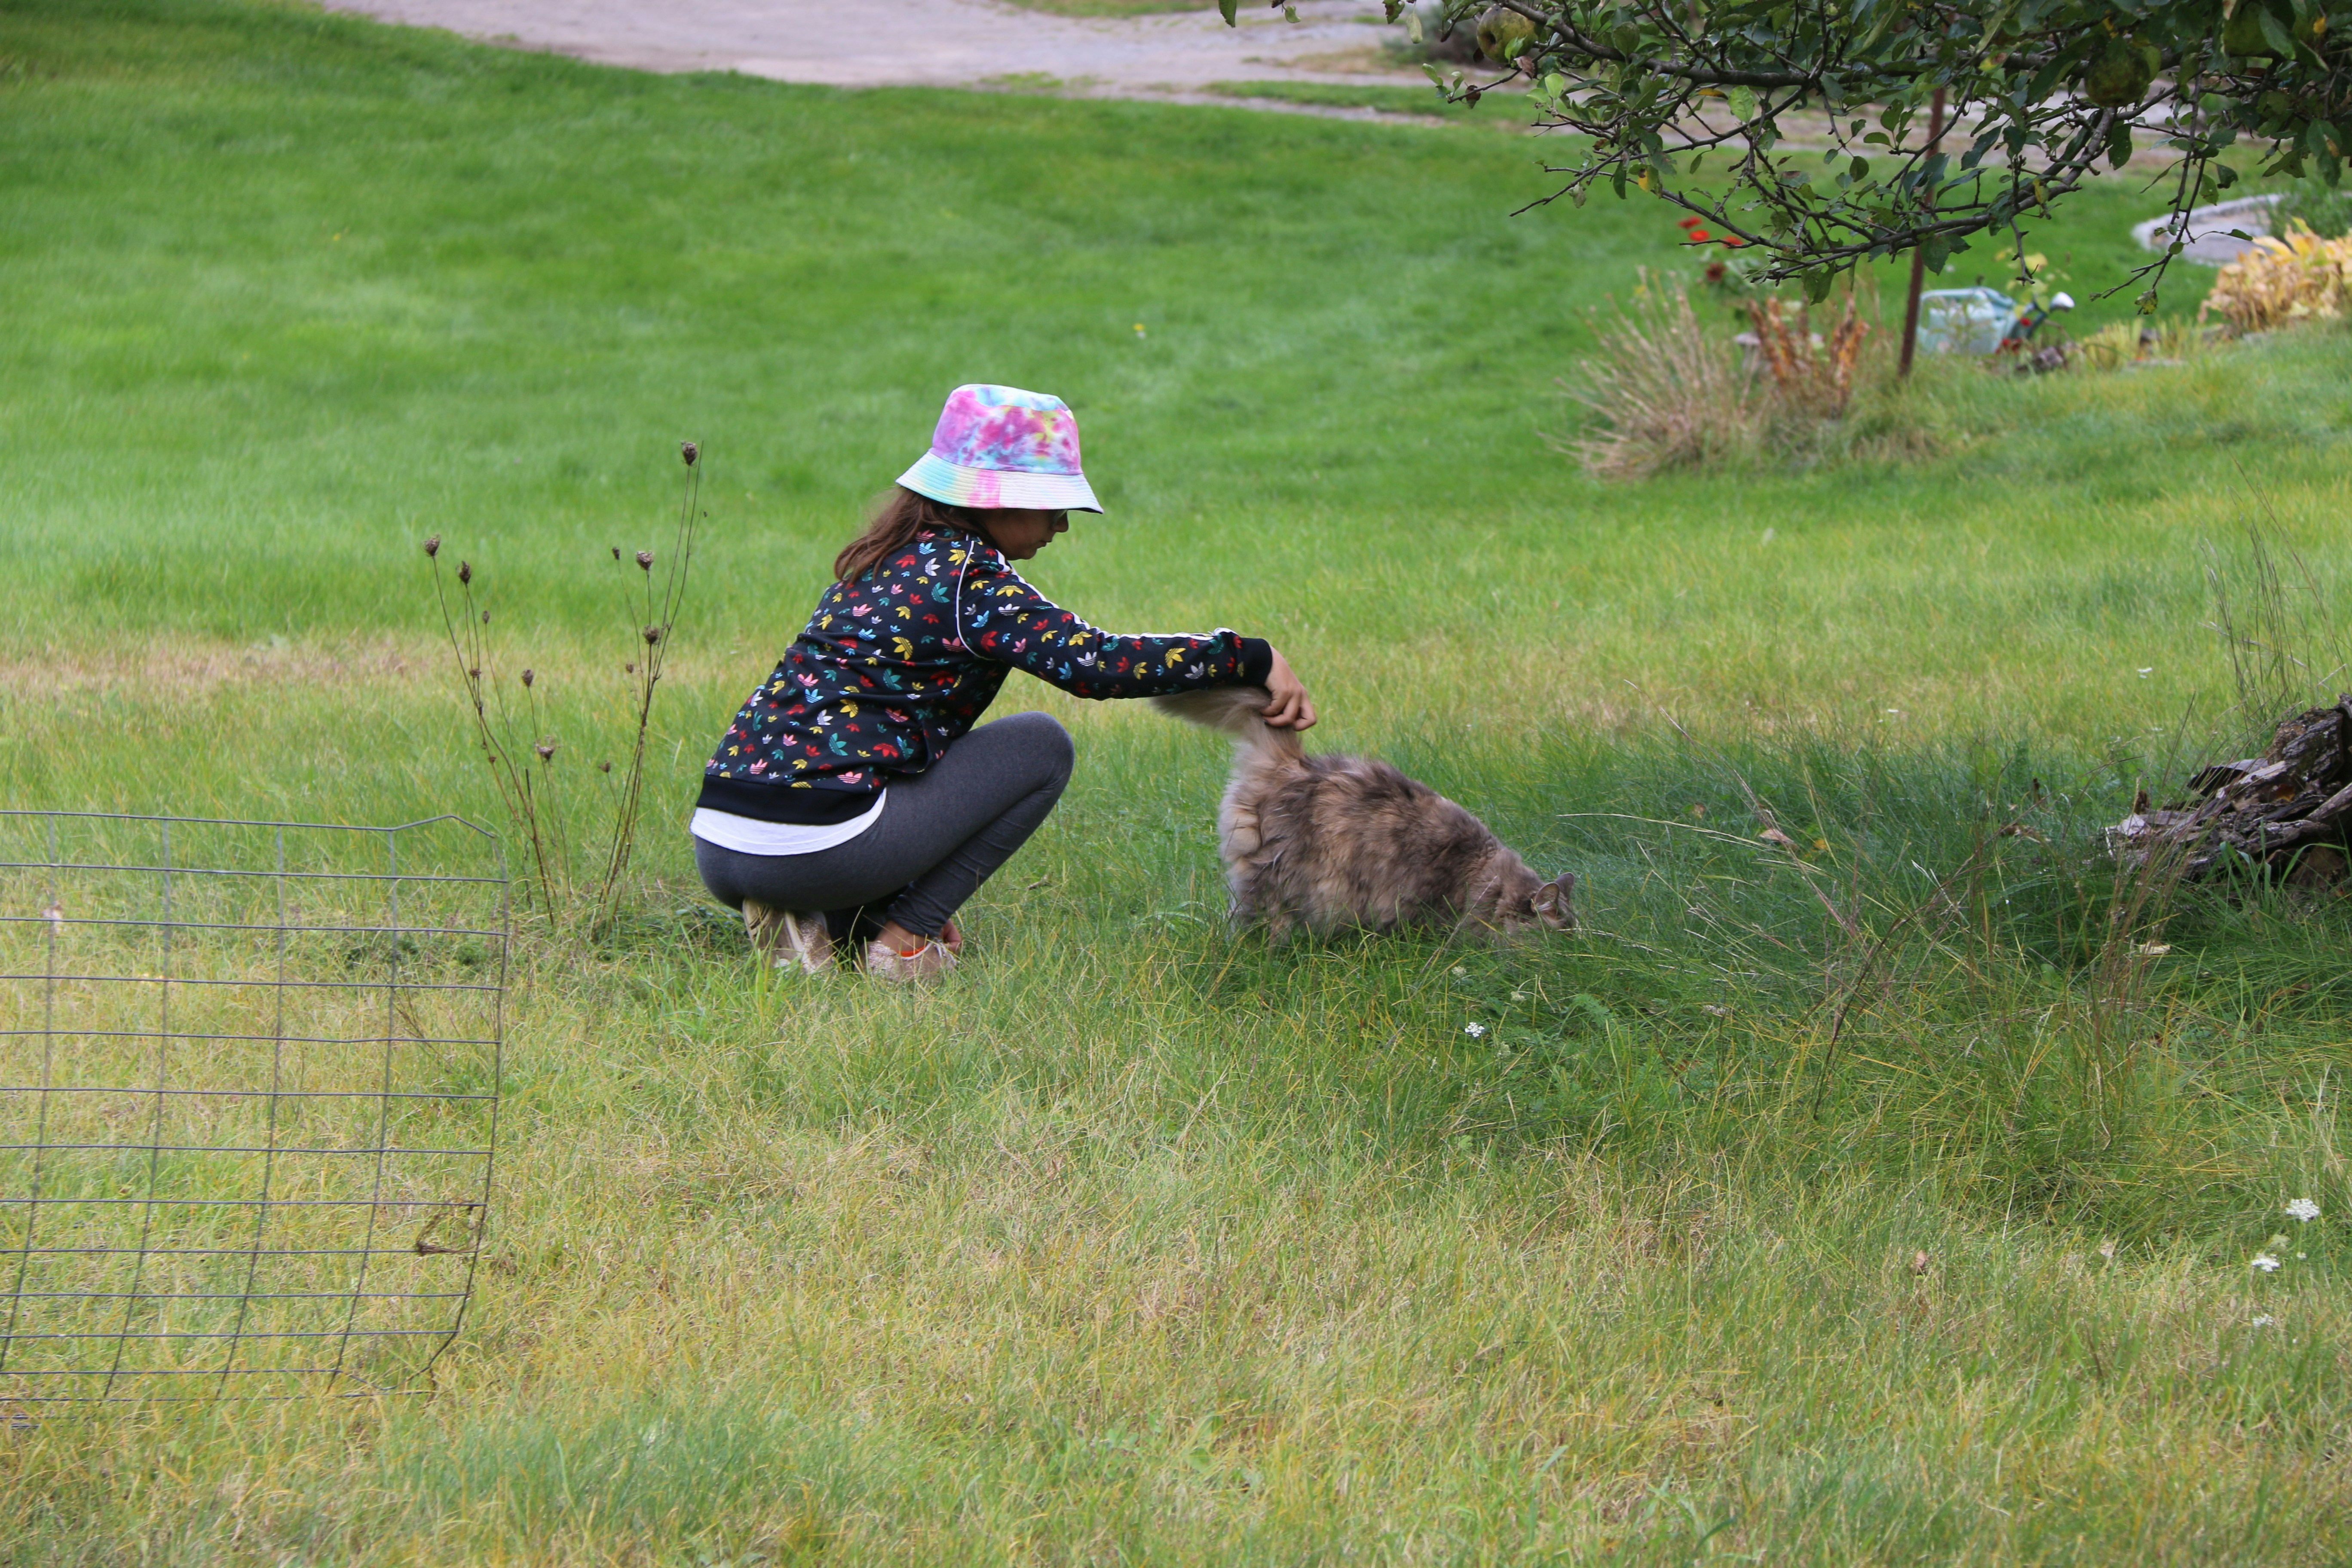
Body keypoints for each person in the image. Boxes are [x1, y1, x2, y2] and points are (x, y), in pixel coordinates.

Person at [691, 384, 1316, 980]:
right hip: (826, 846)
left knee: (889, 769)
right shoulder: (971, 581)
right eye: (1054, 506)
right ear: (996, 497)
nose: (1062, 526)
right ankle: (906, 940)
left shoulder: (877, 564)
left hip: (720, 846)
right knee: (1041, 745)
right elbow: (1095, 663)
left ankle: (821, 917)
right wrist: (1248, 656)